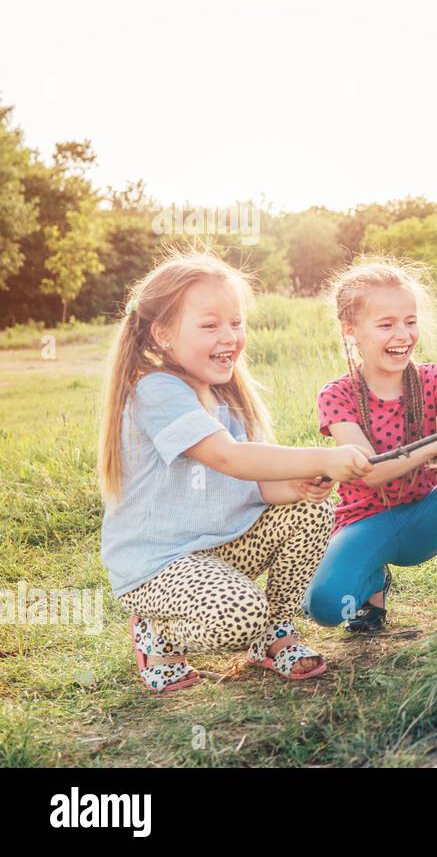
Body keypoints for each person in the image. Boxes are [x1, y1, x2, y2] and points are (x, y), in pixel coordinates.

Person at [97, 251, 373, 693]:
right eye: (210, 326)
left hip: (218, 548)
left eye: (235, 323)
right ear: (163, 334)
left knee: (310, 510)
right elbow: (227, 457)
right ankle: (160, 637)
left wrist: (296, 486)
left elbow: (247, 479)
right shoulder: (156, 390)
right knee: (241, 614)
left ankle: (274, 634)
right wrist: (322, 457)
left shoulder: (224, 395)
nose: (229, 337)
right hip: (159, 566)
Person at [305, 259, 437, 628]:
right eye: (386, 325)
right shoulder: (337, 395)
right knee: (326, 608)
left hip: (425, 518)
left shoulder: (433, 378)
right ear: (351, 329)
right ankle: (375, 579)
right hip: (365, 522)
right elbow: (369, 472)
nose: (402, 334)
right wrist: (433, 446)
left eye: (410, 321)